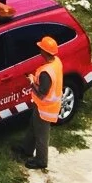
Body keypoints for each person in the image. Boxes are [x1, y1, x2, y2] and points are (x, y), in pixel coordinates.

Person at [23, 35, 65, 169]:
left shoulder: (46, 72)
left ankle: (41, 161)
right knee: (32, 127)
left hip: (45, 109)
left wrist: (31, 82)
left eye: (41, 48)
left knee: (41, 135)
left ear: (45, 52)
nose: (39, 49)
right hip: (43, 106)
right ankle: (27, 149)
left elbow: (42, 93)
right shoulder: (56, 62)